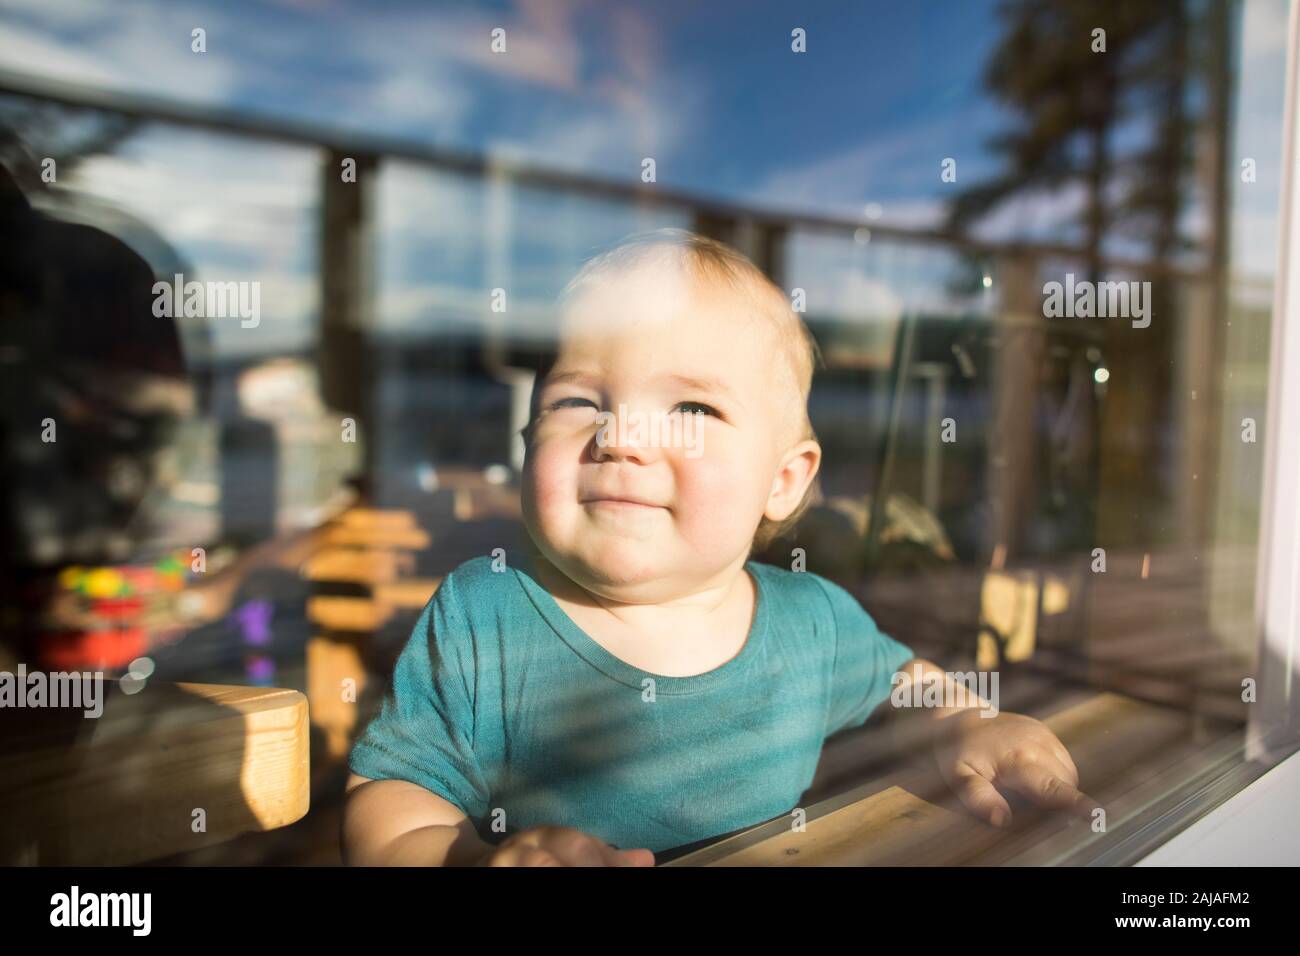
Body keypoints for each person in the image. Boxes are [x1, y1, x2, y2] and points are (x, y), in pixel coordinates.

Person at [341, 229, 1097, 866]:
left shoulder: (812, 622)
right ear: (528, 436)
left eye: (691, 407)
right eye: (578, 401)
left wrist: (968, 722)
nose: (623, 438)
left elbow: (902, 681)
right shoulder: (487, 614)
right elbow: (393, 800)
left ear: (784, 479)